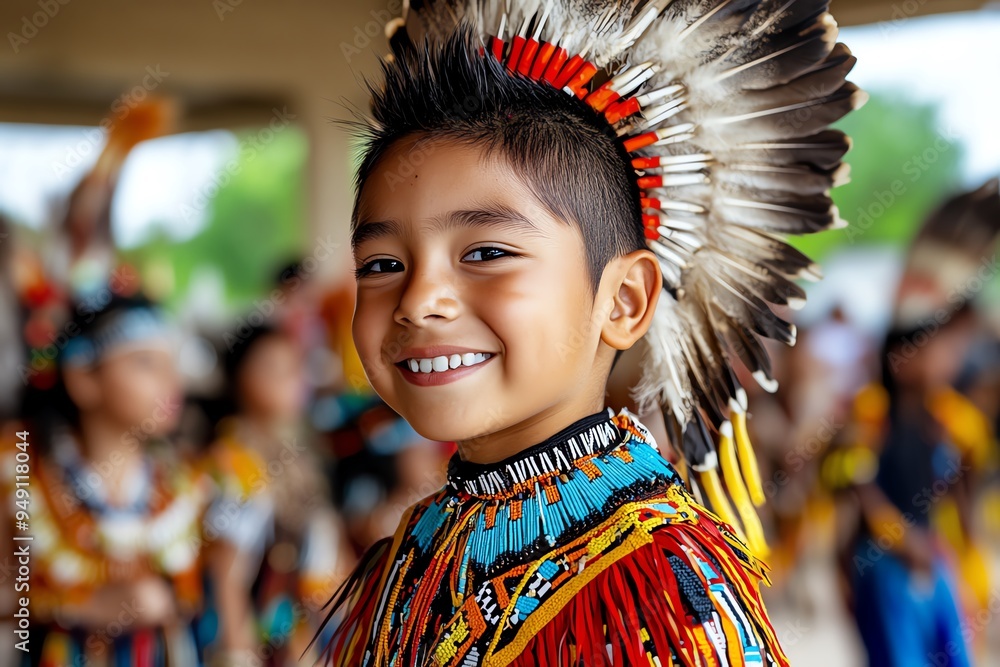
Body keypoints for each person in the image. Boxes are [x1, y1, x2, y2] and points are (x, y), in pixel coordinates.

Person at [316, 0, 863, 664]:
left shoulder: (667, 594)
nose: (418, 300)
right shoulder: (415, 552)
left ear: (624, 300)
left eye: (485, 252)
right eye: (382, 264)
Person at [1, 296, 212, 666]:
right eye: (145, 362)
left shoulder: (188, 480)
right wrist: (82, 607)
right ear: (83, 379)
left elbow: (196, 598)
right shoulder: (19, 467)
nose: (171, 381)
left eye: (172, 363)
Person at [202, 323, 353, 666]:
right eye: (273, 367)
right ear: (240, 379)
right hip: (257, 640)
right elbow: (228, 569)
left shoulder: (302, 459)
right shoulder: (235, 460)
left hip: (303, 637)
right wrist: (238, 653)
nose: (292, 377)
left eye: (295, 365)